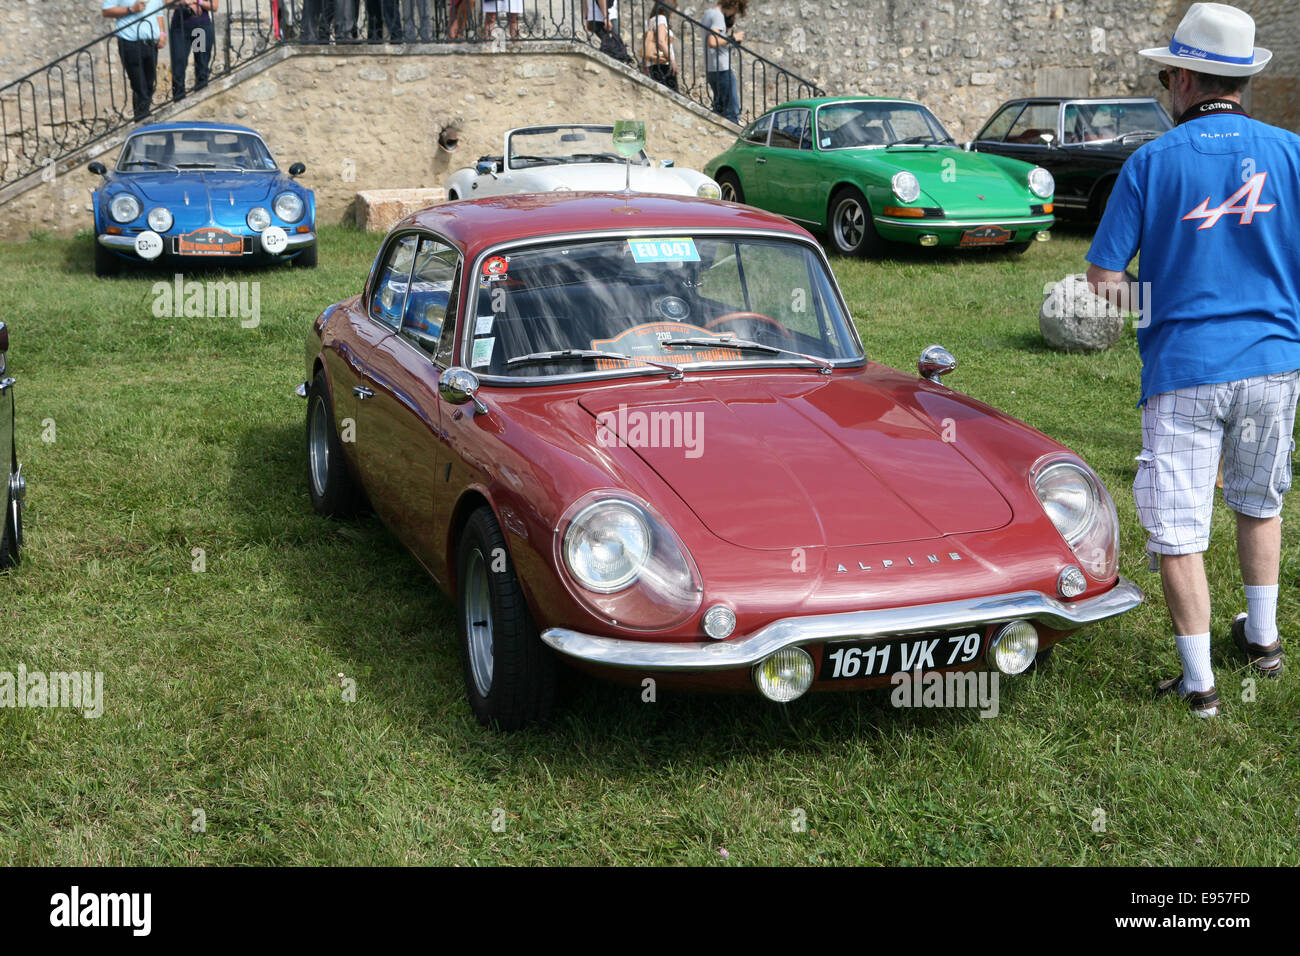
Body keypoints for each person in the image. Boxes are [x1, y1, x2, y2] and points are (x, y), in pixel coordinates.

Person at [1085, 2, 1300, 717]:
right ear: (1241, 82)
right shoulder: (1291, 154)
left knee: (1180, 529)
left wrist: (1153, 307)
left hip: (1183, 369)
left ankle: (1200, 684)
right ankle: (1263, 643)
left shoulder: (1150, 162)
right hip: (1275, 362)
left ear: (1181, 79)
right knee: (1258, 501)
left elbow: (1104, 280)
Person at [102, 0, 166, 122]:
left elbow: (159, 13)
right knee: (139, 85)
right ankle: (143, 120)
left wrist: (162, 33)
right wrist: (131, 9)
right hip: (130, 43)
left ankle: (141, 118)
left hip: (151, 43)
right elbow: (106, 11)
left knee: (149, 84)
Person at [702, 0, 745, 123]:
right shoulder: (718, 16)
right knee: (732, 114)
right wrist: (733, 38)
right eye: (735, 12)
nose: (733, 14)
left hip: (712, 69)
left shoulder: (708, 13)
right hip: (722, 69)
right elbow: (712, 41)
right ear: (733, 5)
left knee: (719, 112)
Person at [168, 0, 217, 102]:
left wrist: (198, 1)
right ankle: (179, 101)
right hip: (180, 28)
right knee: (179, 63)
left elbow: (214, 6)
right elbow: (169, 4)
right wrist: (186, 2)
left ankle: (201, 98)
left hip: (200, 27)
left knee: (201, 64)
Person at [641, 2, 677, 91]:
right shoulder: (661, 18)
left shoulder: (651, 20)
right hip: (663, 63)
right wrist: (672, 60)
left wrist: (644, 63)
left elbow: (647, 43)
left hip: (653, 63)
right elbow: (661, 41)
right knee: (672, 94)